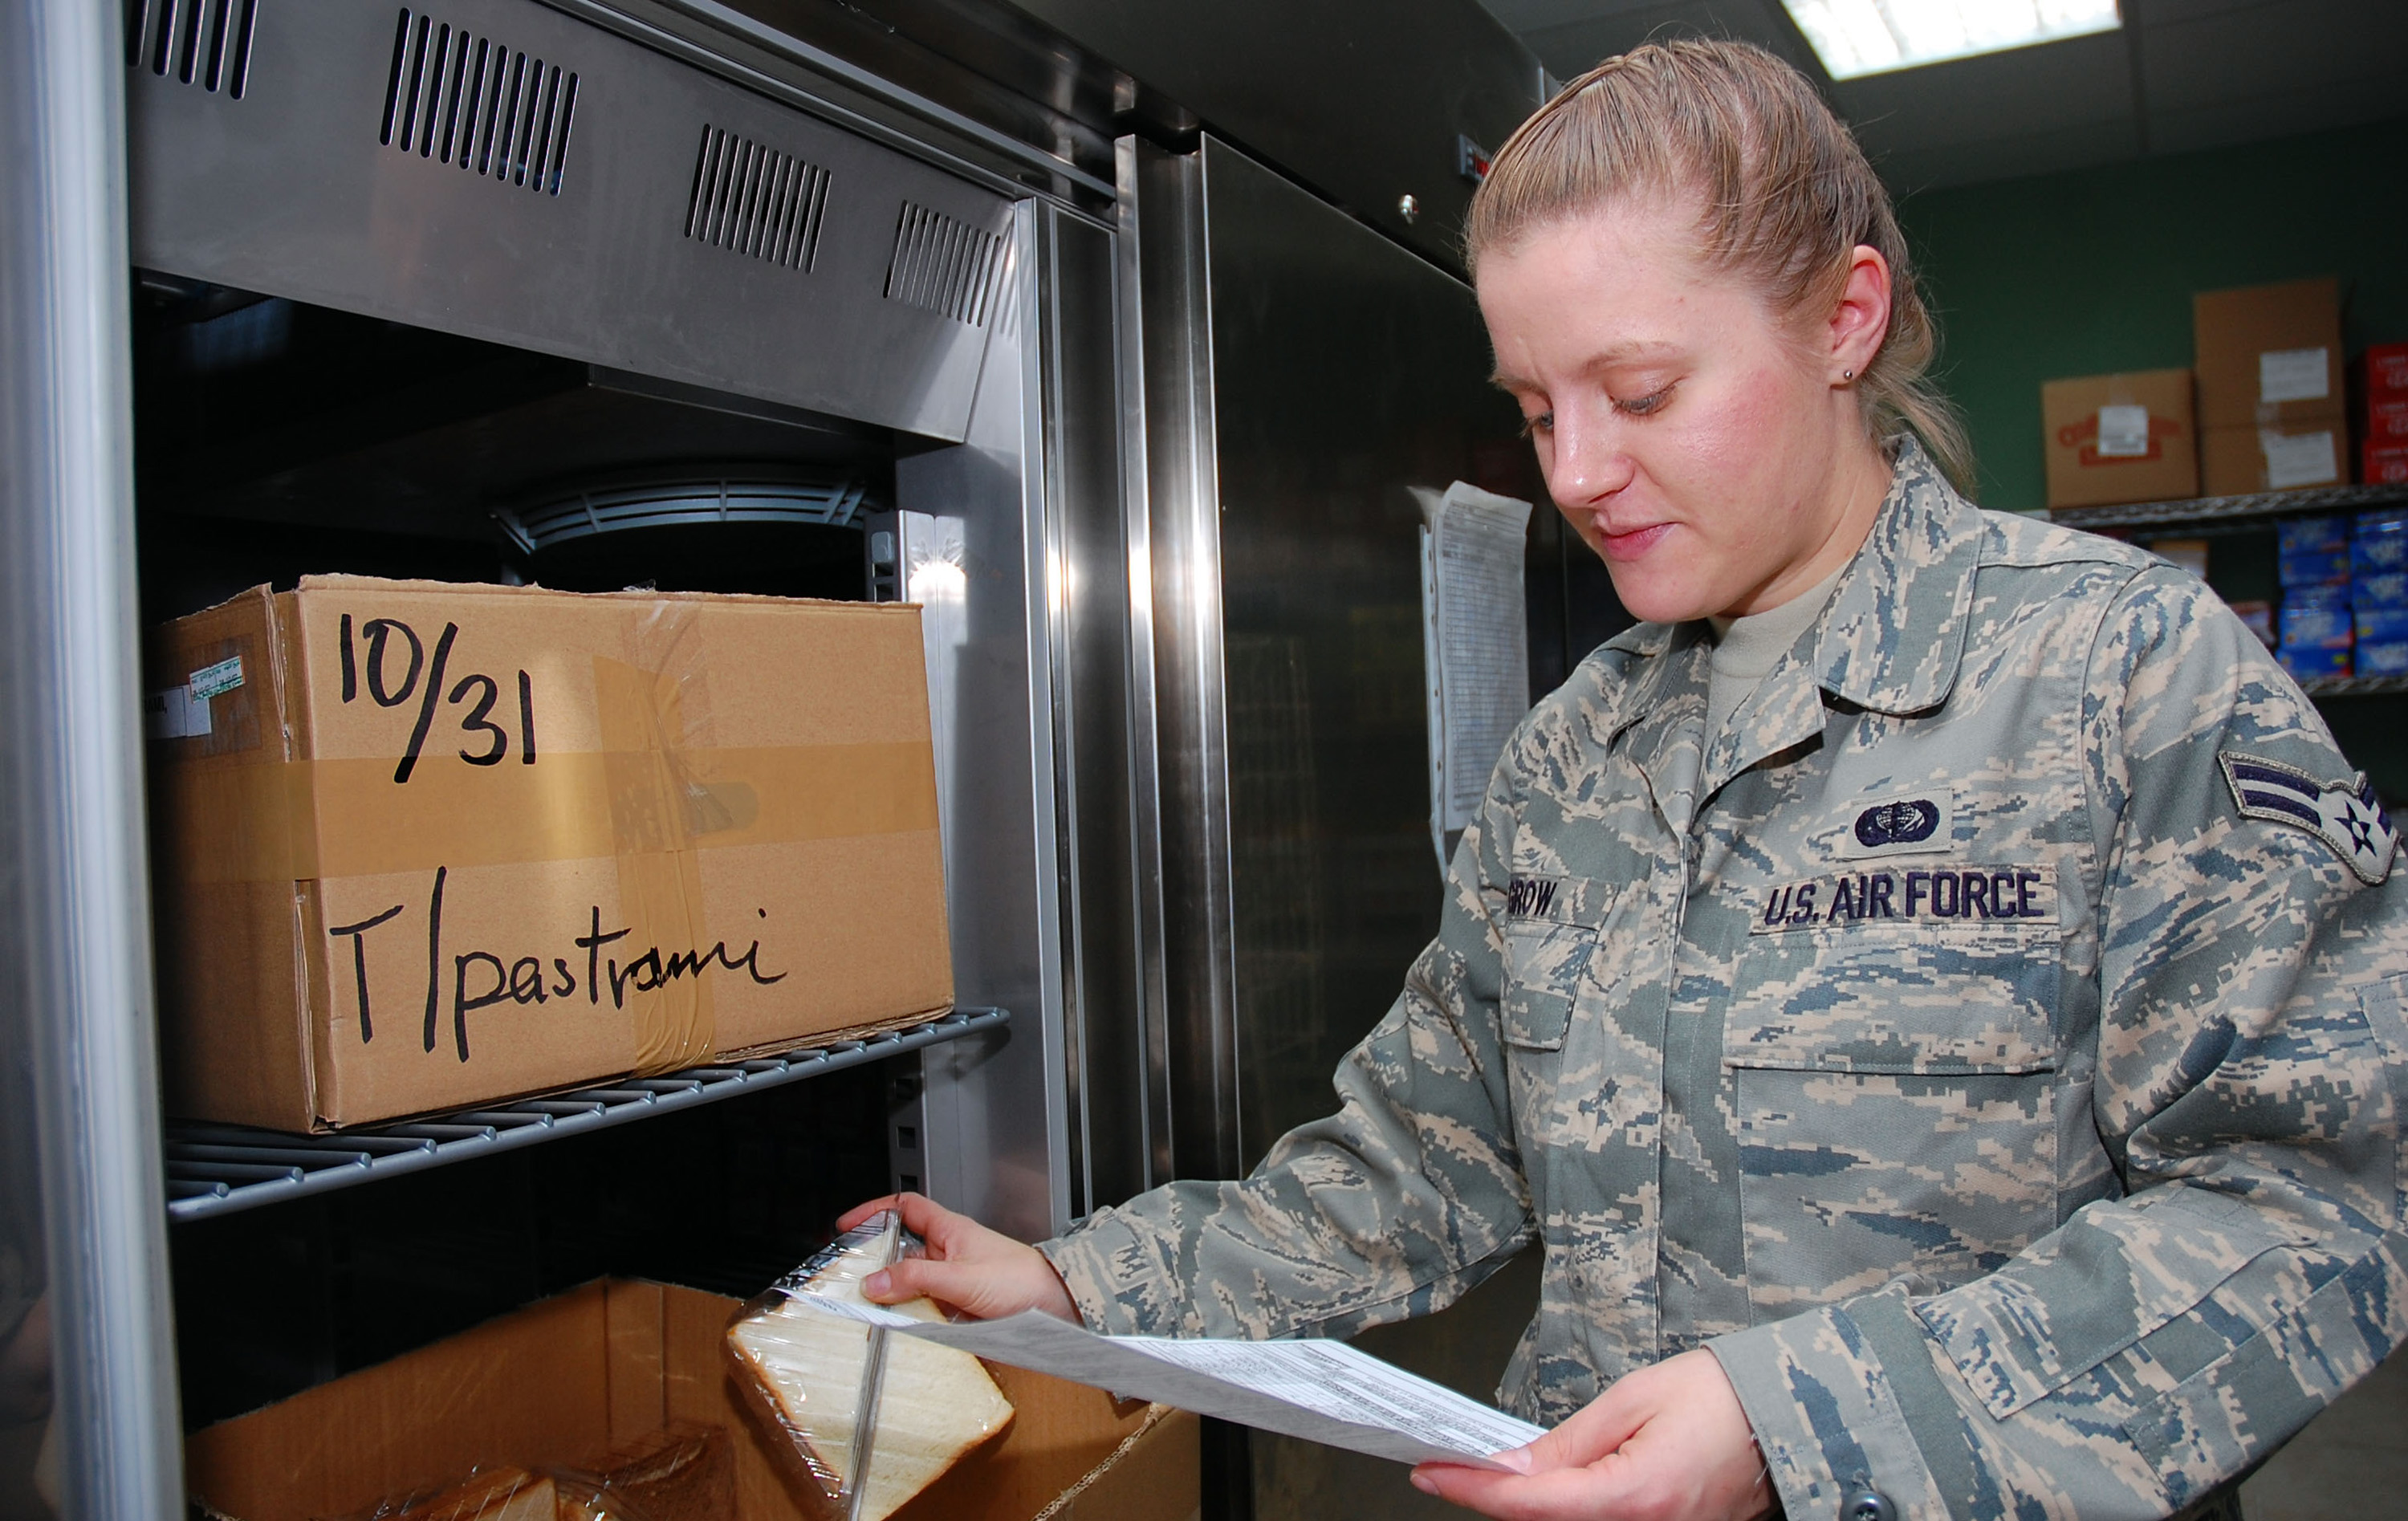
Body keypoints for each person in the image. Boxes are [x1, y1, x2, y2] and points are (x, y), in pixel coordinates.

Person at [841, 39, 2408, 1521]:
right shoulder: (1577, 752)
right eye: (1534, 409)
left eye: (1641, 393)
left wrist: (1799, 1427)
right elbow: (1419, 1159)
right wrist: (1081, 1286)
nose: (1575, 472)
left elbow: (2325, 1207)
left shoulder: (2126, 681)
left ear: (1845, 318)